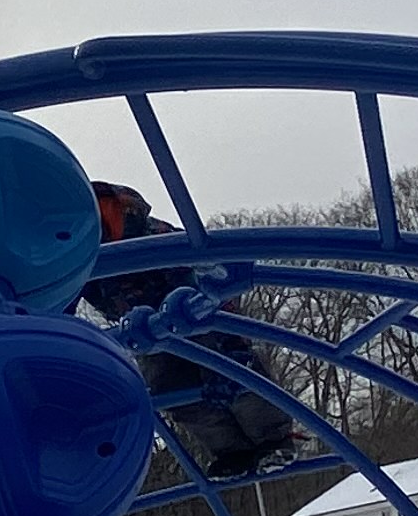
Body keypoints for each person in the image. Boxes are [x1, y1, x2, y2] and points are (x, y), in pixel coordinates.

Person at [79, 180, 300, 479]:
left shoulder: (146, 233)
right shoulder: (79, 257)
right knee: (173, 391)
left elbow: (193, 265)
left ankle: (274, 439)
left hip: (193, 312)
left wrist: (202, 299)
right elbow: (79, 290)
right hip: (148, 329)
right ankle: (230, 450)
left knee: (229, 371)